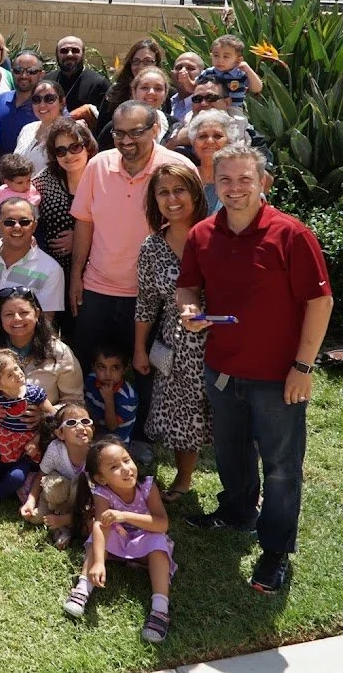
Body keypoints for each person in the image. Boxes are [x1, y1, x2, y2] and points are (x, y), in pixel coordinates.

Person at [177, 144, 333, 593]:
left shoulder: (291, 234)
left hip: (278, 377)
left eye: (245, 179)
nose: (235, 189)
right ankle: (237, 513)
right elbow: (189, 287)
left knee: (282, 467)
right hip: (222, 369)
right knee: (230, 451)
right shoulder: (203, 234)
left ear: (263, 182)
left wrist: (303, 366)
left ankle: (275, 551)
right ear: (214, 182)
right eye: (225, 180)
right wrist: (190, 312)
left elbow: (320, 302)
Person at [69, 100, 198, 399]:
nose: (126, 141)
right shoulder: (98, 165)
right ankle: (86, 425)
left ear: (154, 129)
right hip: (98, 286)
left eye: (136, 132)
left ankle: (141, 437)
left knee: (146, 370)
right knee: (86, 363)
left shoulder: (176, 169)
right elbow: (84, 223)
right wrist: (77, 275)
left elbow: (191, 229)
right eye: (119, 133)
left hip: (151, 294)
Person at [133, 165, 212, 501]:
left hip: (225, 340)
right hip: (177, 342)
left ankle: (245, 488)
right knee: (183, 414)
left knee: (235, 415)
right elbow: (147, 302)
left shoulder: (217, 235)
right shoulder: (152, 246)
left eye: (179, 189)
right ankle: (183, 478)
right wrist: (139, 347)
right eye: (163, 192)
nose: (172, 199)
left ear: (195, 191)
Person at [62, 438, 175, 644]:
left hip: (145, 540)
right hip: (118, 540)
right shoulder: (102, 492)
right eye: (114, 466)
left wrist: (125, 516)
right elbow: (100, 525)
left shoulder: (148, 486)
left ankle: (160, 609)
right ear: (101, 479)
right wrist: (98, 562)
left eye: (127, 460)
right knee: (98, 538)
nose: (126, 469)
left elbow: (162, 524)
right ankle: (82, 589)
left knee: (158, 543)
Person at [0, 287, 82, 417]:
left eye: (24, 312)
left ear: (36, 314)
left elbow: (75, 402)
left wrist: (46, 414)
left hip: (48, 432)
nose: (17, 319)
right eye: (9, 314)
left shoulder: (59, 352)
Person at [32, 118, 96, 335]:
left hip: (93, 272)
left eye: (75, 147)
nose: (69, 155)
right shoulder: (43, 181)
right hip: (52, 273)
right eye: (61, 151)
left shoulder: (102, 177)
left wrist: (81, 238)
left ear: (87, 146)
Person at [0, 348, 55, 512]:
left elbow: (52, 415)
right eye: (10, 374)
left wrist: (36, 440)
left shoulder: (34, 394)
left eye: (17, 368)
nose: (18, 374)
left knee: (16, 478)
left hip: (25, 449)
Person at [21, 402, 93, 550]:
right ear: (60, 433)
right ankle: (62, 524)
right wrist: (30, 500)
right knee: (35, 517)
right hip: (58, 496)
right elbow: (42, 474)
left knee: (79, 483)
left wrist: (65, 518)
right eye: (72, 423)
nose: (80, 427)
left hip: (83, 502)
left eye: (85, 422)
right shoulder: (55, 449)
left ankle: (64, 525)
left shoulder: (96, 454)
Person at [0, 197, 65, 317]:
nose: (17, 227)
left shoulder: (51, 270)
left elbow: (45, 322)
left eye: (24, 222)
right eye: (9, 222)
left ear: (34, 226)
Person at [96, 66, 172, 151]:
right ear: (134, 91)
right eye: (144, 87)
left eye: (158, 88)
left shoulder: (174, 125)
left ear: (165, 94)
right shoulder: (115, 126)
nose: (151, 92)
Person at [97, 39, 164, 132]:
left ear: (157, 63)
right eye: (136, 61)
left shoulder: (166, 94)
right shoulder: (115, 93)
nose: (141, 66)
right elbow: (101, 128)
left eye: (147, 61)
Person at [0, 50, 45, 154]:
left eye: (31, 71)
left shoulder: (47, 106)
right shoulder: (0, 101)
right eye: (18, 70)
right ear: (11, 72)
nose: (24, 75)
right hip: (0, 168)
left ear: (41, 74)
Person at [52, 36, 108, 127]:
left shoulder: (99, 84)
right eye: (64, 51)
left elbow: (105, 122)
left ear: (83, 54)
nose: (69, 54)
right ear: (57, 54)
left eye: (75, 50)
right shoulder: (47, 81)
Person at [13, 78, 67, 171]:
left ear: (62, 102)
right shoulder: (27, 129)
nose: (42, 105)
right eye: (36, 99)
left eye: (49, 99)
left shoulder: (67, 133)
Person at [198, 33, 262, 111]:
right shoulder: (208, 73)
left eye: (226, 57)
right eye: (216, 55)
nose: (220, 60)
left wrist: (249, 71)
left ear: (238, 59)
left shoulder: (240, 75)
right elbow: (195, 86)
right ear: (211, 56)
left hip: (234, 110)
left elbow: (257, 89)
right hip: (211, 109)